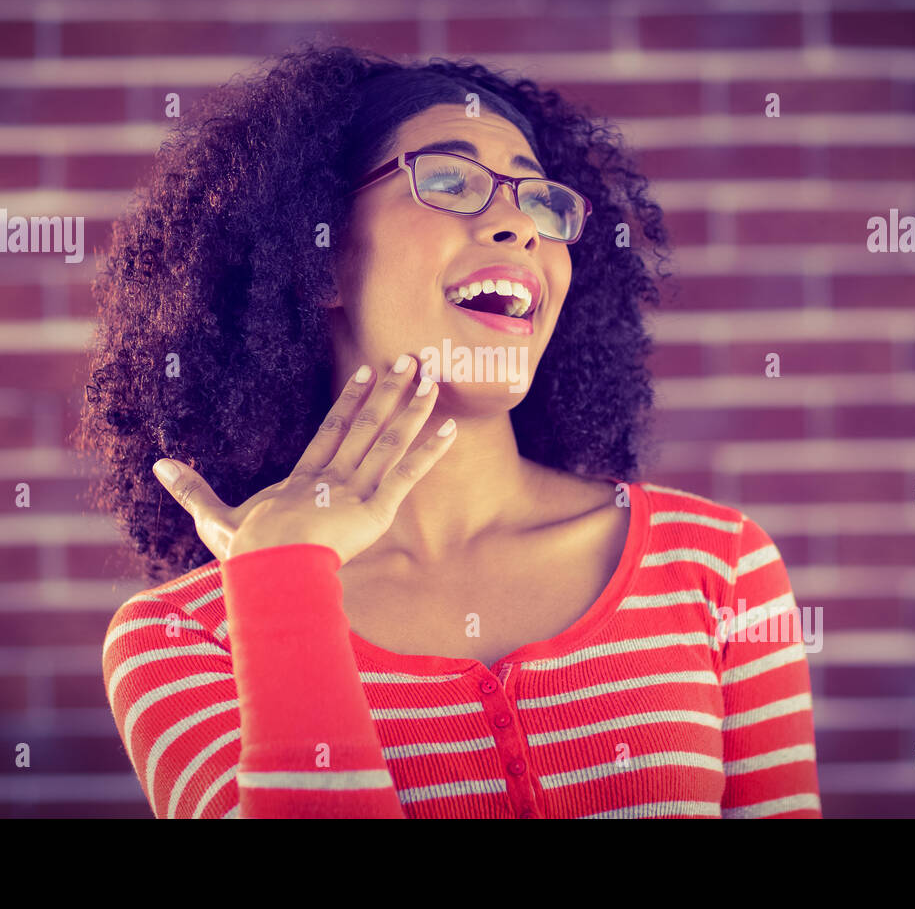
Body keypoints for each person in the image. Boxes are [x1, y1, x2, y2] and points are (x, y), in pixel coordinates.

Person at [78, 41, 821, 819]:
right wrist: (283, 579)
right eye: (447, 180)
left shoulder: (718, 566)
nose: (521, 226)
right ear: (318, 256)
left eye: (542, 201)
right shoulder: (180, 642)